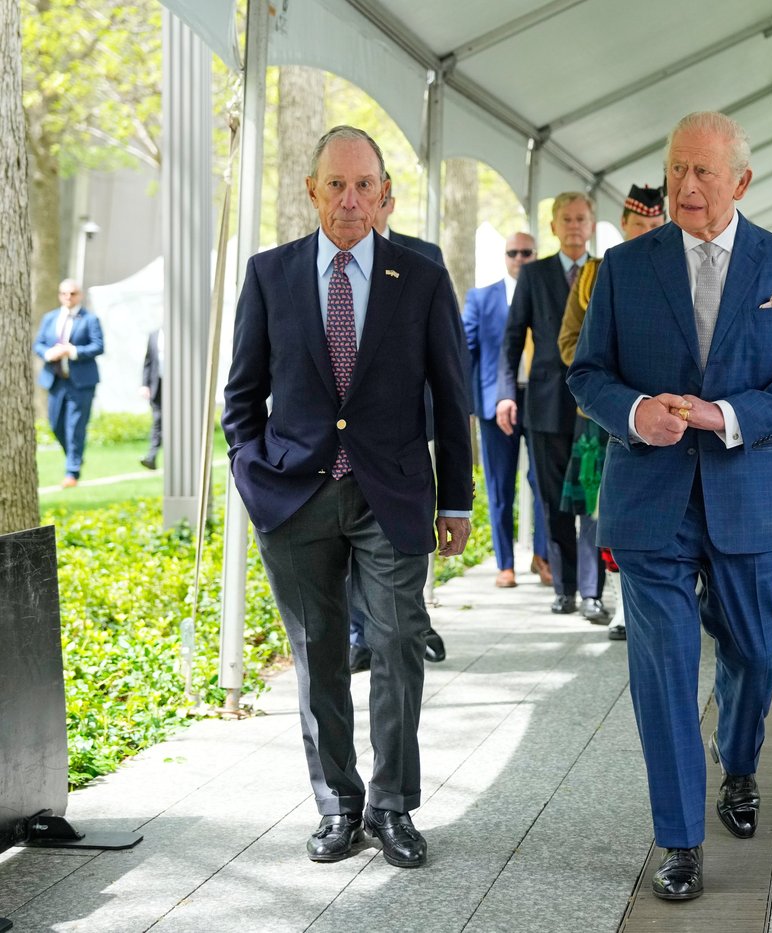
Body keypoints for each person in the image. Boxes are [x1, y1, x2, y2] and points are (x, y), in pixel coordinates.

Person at [568, 111, 772, 900]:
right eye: (676, 168)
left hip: (747, 495)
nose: (684, 185)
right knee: (664, 669)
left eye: (703, 173)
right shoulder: (623, 267)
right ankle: (678, 838)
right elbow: (587, 373)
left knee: (755, 650)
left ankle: (740, 761)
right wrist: (638, 409)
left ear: (740, 182)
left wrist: (726, 414)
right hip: (650, 500)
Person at [222, 125, 474, 869]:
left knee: (397, 642)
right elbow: (241, 395)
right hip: (294, 499)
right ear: (312, 191)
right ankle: (339, 803)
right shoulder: (270, 274)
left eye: (365, 185)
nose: (351, 199)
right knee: (318, 654)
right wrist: (252, 469)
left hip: (389, 496)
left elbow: (451, 392)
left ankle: (393, 805)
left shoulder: (420, 278)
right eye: (336, 184)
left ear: (384, 193)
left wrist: (455, 500)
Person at [346, 180, 451, 672]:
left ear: (387, 201)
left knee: (403, 523)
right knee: (349, 540)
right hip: (340, 446)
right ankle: (359, 632)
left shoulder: (422, 259)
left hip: (406, 428)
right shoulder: (322, 263)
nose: (363, 204)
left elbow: (442, 349)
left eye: (373, 194)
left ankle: (412, 618)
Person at [557, 183, 668, 639]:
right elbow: (569, 344)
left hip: (665, 419)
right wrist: (617, 386)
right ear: (623, 225)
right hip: (606, 418)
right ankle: (613, 602)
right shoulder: (596, 274)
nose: (644, 232)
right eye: (638, 225)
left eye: (653, 225)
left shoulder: (679, 268)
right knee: (604, 515)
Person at [497, 193, 600, 616]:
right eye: (566, 219)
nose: (574, 226)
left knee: (592, 500)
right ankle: (566, 587)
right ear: (554, 227)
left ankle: (593, 590)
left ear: (592, 225)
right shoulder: (534, 274)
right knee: (553, 499)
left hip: (596, 405)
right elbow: (512, 337)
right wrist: (507, 392)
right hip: (544, 401)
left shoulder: (606, 271)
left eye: (581, 219)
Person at [464, 232, 551, 589]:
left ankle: (543, 557)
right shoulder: (481, 298)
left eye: (526, 252)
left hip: (541, 398)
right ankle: (505, 565)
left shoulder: (548, 294)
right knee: (500, 486)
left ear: (535, 255)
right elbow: (463, 350)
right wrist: (467, 403)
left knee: (544, 482)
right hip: (494, 402)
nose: (519, 258)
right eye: (512, 253)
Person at [33, 279, 104, 487]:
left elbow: (98, 346)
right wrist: (49, 353)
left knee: (75, 427)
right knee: (56, 425)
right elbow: (39, 344)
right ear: (59, 295)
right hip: (56, 380)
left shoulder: (90, 319)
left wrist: (72, 351)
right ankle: (75, 457)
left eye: (72, 293)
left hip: (81, 382)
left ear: (79, 295)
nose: (68, 297)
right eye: (64, 293)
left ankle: (72, 472)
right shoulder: (50, 318)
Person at [373, 174, 445, 266]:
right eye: (363, 202)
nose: (372, 210)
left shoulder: (427, 255)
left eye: (381, 201)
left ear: (391, 204)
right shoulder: (348, 255)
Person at [139, 328, 162, 470]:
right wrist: (145, 384)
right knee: (158, 421)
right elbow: (148, 361)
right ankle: (151, 456)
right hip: (157, 386)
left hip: (179, 387)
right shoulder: (154, 335)